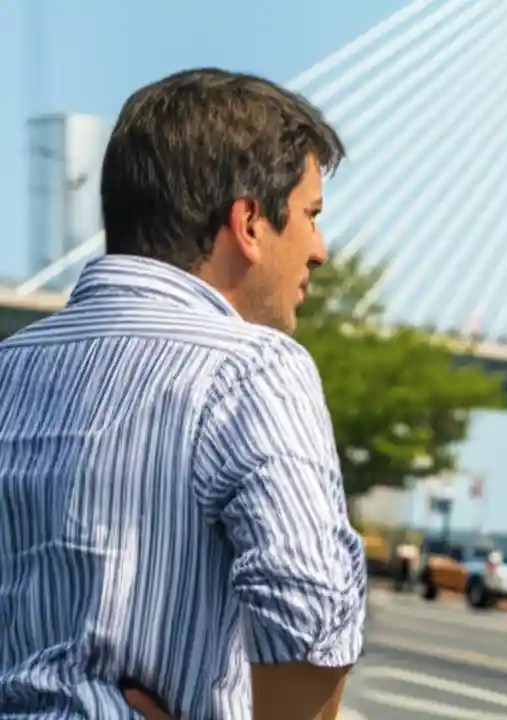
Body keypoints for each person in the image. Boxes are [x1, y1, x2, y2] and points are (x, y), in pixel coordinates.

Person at [0, 68, 367, 718]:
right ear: (249, 223)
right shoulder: (253, 369)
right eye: (310, 216)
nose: (320, 250)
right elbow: (308, 610)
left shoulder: (10, 366)